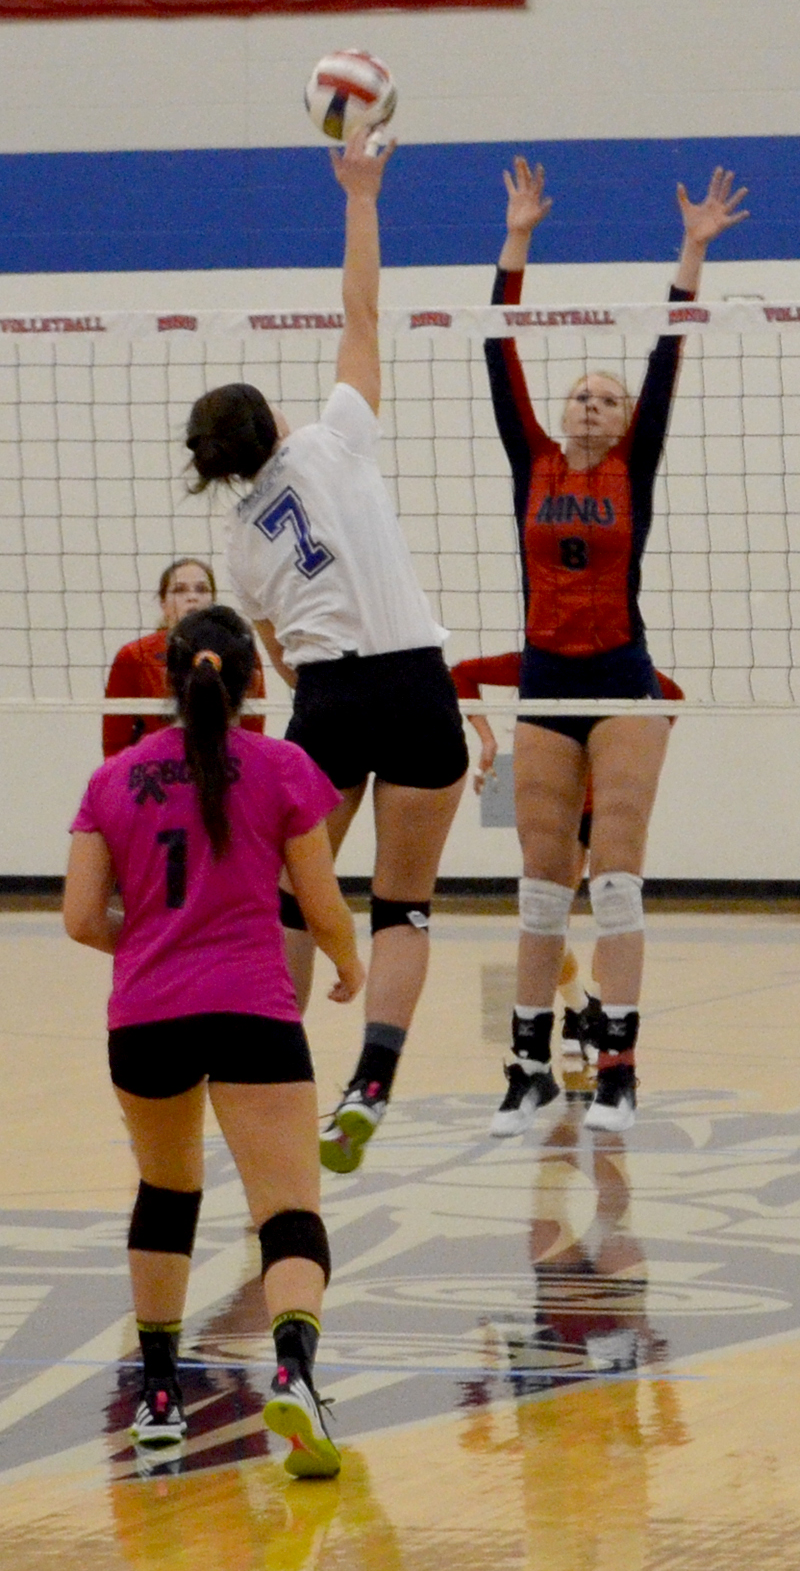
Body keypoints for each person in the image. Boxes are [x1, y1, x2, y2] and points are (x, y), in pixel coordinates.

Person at [184, 129, 469, 1176]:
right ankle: (375, 1080)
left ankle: (273, 1075)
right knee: (404, 903)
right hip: (417, 682)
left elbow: (275, 657)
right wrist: (360, 192)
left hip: (334, 698)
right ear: (275, 420)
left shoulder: (237, 545)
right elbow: (361, 310)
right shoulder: (334, 436)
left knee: (289, 893)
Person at [64, 604, 364, 1476]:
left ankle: (159, 1395)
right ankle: (297, 1377)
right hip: (252, 1012)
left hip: (146, 1017)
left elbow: (82, 918)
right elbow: (320, 900)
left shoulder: (111, 780)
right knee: (289, 1210)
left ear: (167, 683)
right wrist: (347, 963)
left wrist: (157, 938)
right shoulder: (283, 766)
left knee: (167, 1190)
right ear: (250, 684)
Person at [484, 159, 747, 1134]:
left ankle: (621, 1068)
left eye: (605, 396)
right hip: (546, 682)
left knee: (619, 874)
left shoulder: (632, 465)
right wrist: (516, 242)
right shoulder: (532, 464)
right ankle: (525, 1066)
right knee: (540, 884)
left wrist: (690, 253)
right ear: (557, 417)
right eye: (579, 396)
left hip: (622, 681)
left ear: (625, 420)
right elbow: (495, 353)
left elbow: (666, 357)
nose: (591, 404)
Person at [451, 652, 684, 1065]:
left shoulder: (625, 667)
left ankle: (605, 1021)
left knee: (613, 917)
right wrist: (487, 740)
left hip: (613, 807)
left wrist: (635, 755)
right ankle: (579, 1007)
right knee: (546, 920)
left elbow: (672, 695)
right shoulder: (535, 663)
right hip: (559, 806)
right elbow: (461, 675)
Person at [102, 557, 266, 758]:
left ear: (212, 601)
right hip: (158, 768)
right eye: (180, 590)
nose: (192, 598)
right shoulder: (134, 656)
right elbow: (114, 743)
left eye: (201, 589)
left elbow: (253, 732)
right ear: (163, 603)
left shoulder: (240, 652)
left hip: (225, 765)